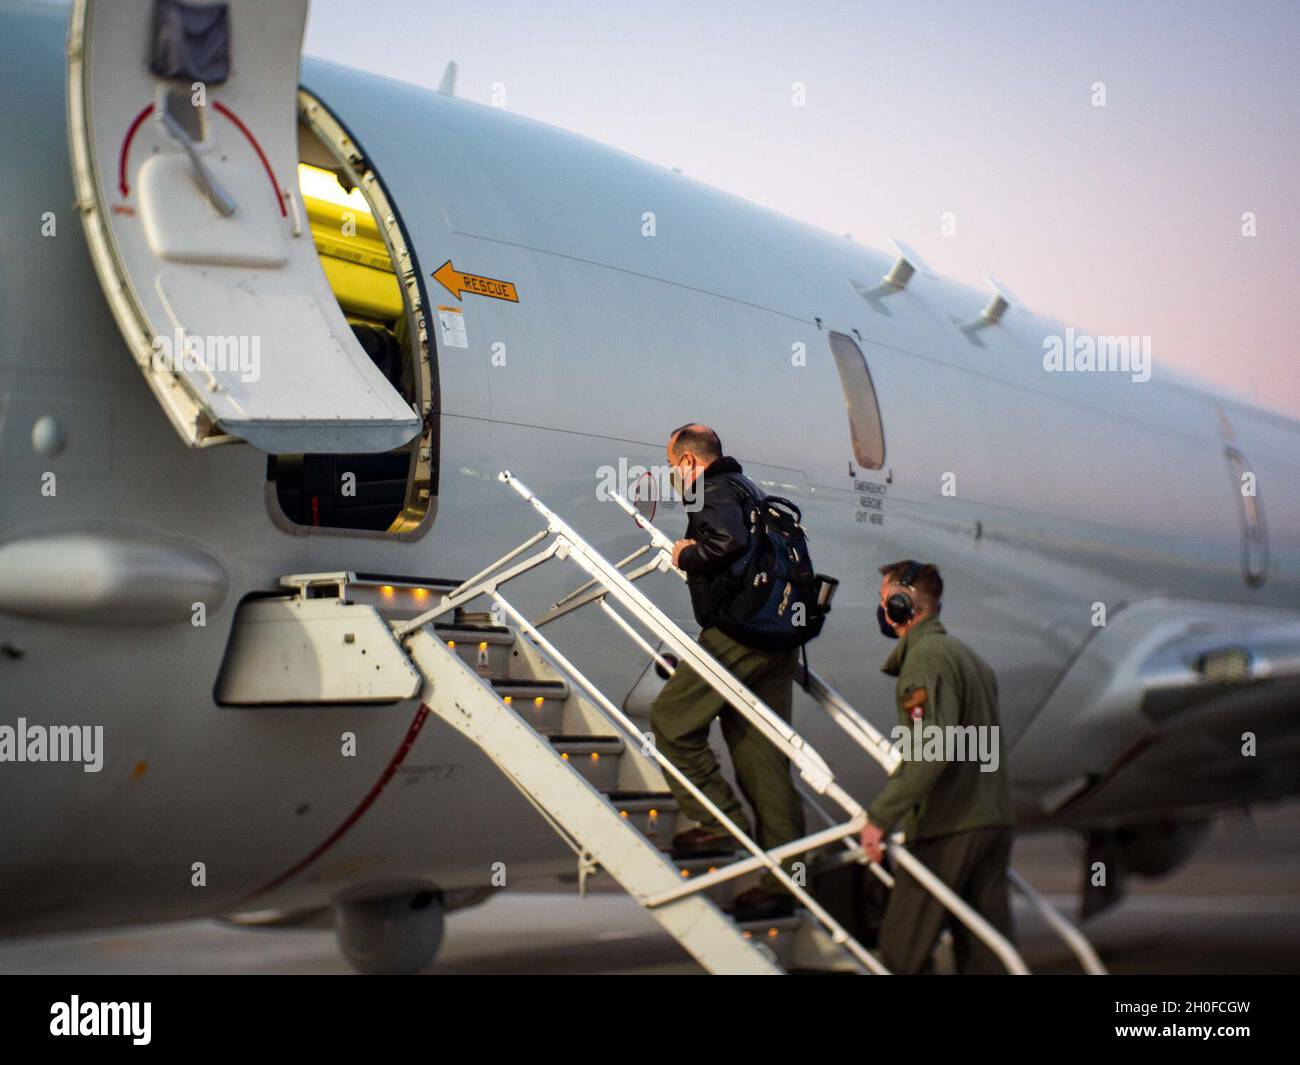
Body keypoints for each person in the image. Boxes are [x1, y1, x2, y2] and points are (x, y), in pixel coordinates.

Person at [649, 423, 805, 919]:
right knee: (763, 760)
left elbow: (726, 543)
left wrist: (685, 554)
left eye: (674, 467)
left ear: (690, 462)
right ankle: (786, 882)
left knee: (671, 720)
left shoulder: (711, 490)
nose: (675, 476)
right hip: (779, 637)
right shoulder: (751, 490)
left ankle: (718, 823)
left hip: (738, 633)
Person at [859, 560, 1016, 974]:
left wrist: (879, 818)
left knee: (900, 951)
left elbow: (931, 752)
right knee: (988, 955)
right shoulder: (968, 658)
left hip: (948, 828)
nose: (881, 610)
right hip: (991, 823)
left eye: (884, 601)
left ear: (902, 606)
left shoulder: (926, 660)